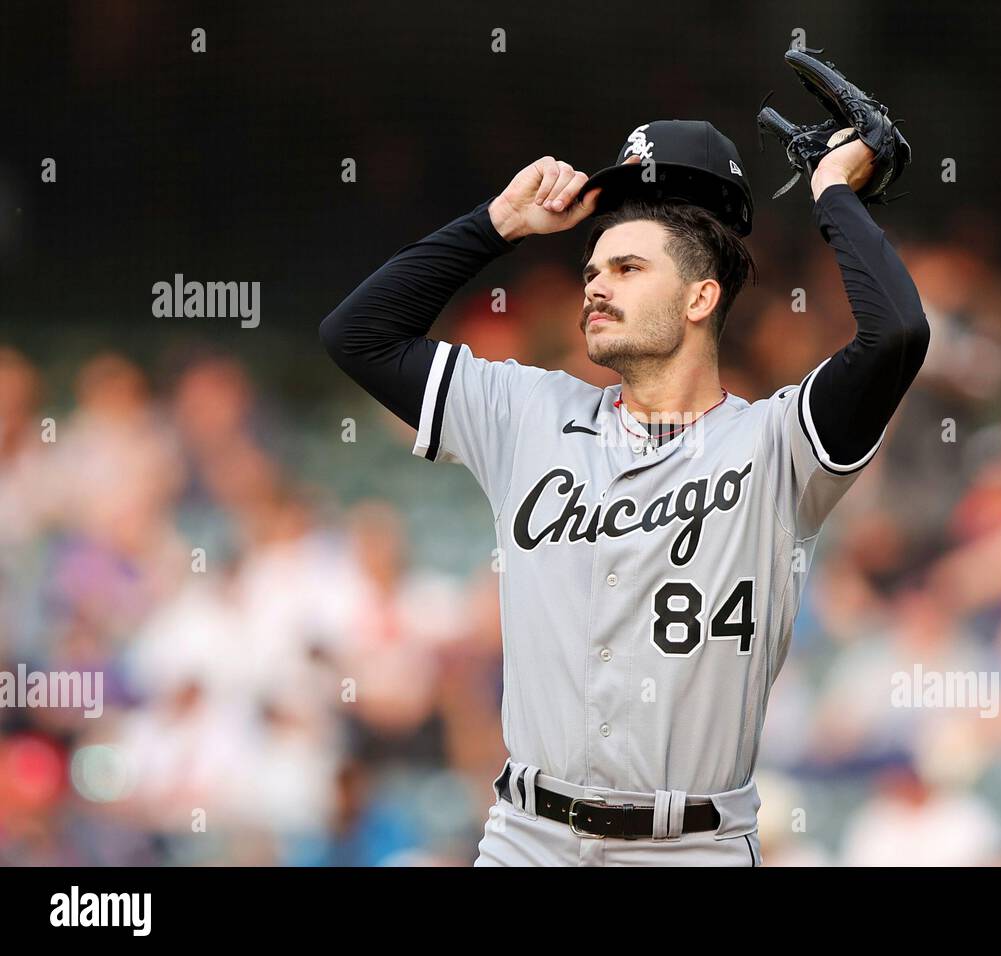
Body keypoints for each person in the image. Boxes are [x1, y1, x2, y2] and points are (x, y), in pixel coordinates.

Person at [320, 118, 929, 866]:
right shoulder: (527, 414)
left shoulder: (780, 446)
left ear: (702, 297)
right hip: (527, 838)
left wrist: (834, 192)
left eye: (629, 269)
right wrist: (499, 224)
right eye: (592, 271)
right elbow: (360, 336)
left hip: (690, 845)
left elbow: (896, 332)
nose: (597, 286)